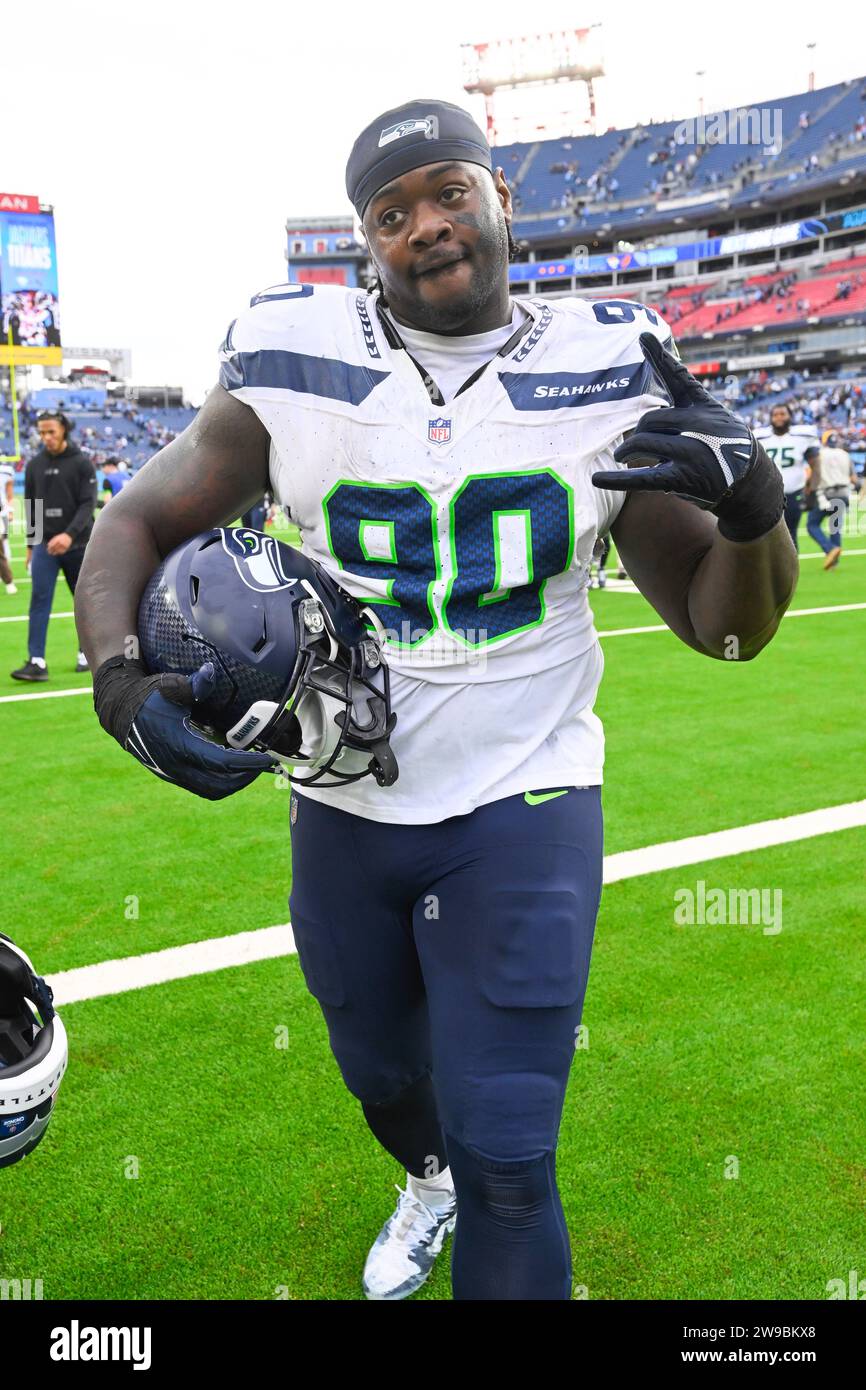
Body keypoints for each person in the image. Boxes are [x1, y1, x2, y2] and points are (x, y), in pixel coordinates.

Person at [74, 99, 797, 1302]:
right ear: (366, 241)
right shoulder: (293, 356)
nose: (425, 224)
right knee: (377, 1072)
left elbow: (727, 629)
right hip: (341, 798)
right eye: (390, 211)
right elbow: (137, 522)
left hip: (526, 794)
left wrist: (753, 508)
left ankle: (470, 1181)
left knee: (510, 1155)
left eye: (447, 191)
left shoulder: (608, 362)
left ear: (499, 198)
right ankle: (424, 1179)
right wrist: (113, 680)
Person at [11, 411, 96, 681]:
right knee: (39, 600)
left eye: (51, 431)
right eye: (42, 432)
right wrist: (30, 546)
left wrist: (69, 535)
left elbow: (88, 504)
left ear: (64, 430)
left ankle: (87, 653)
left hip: (78, 545)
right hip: (45, 547)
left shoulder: (82, 463)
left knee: (84, 602)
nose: (46, 437)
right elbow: (32, 505)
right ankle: (37, 661)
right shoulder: (34, 464)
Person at [753, 402, 821, 550]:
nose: (779, 418)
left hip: (793, 493)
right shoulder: (759, 436)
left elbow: (815, 466)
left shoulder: (803, 435)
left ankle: (791, 572)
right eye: (775, 414)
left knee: (791, 534)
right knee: (764, 536)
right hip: (767, 496)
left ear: (790, 416)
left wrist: (813, 493)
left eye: (783, 414)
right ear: (770, 418)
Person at [806, 432, 858, 569]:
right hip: (842, 494)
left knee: (812, 524)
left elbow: (813, 475)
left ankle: (829, 549)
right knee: (835, 528)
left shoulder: (820, 455)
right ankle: (834, 562)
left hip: (826, 495)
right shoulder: (845, 454)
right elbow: (853, 478)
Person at [0, 459, 17, 595]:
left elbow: (10, 494)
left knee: (3, 544)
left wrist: (10, 511)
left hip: (1, 512)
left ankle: (8, 579)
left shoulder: (5, 471)